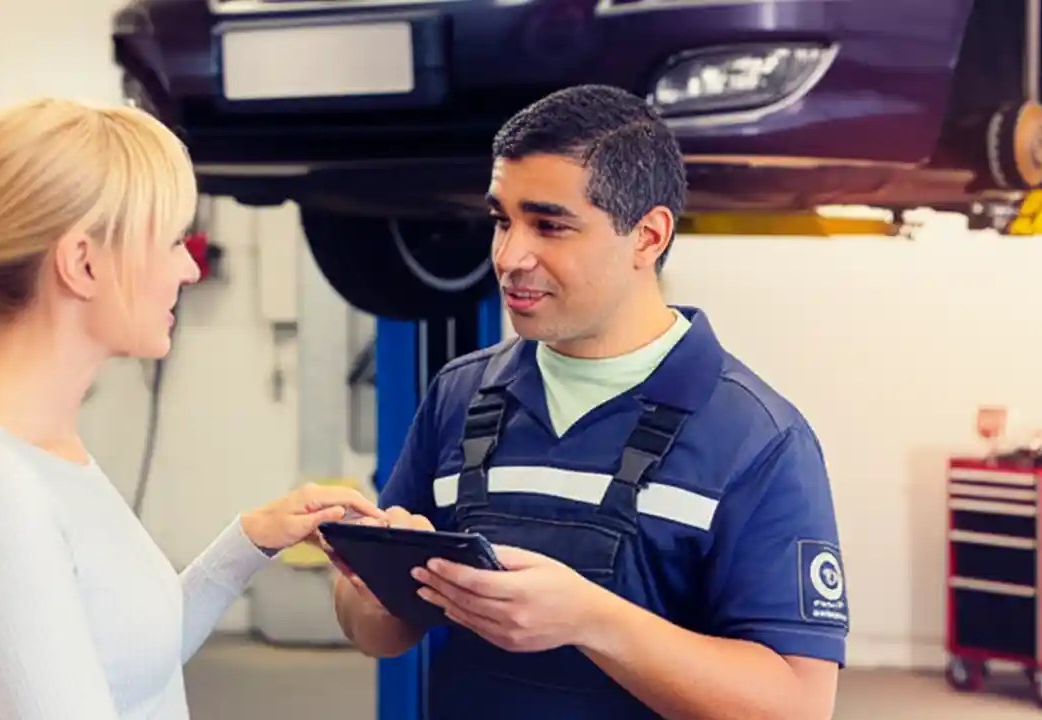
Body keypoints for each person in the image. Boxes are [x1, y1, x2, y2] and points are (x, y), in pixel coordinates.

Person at [332, 84, 848, 720]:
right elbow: (381, 635)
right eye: (502, 220)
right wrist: (370, 580)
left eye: (549, 225)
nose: (509, 256)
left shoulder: (757, 438)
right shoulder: (460, 396)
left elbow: (796, 706)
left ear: (648, 236)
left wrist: (591, 620)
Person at [0, 98, 385, 719]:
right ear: (83, 263)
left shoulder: (36, 451)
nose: (189, 267)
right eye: (168, 242)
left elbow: (128, 663)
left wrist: (251, 540)